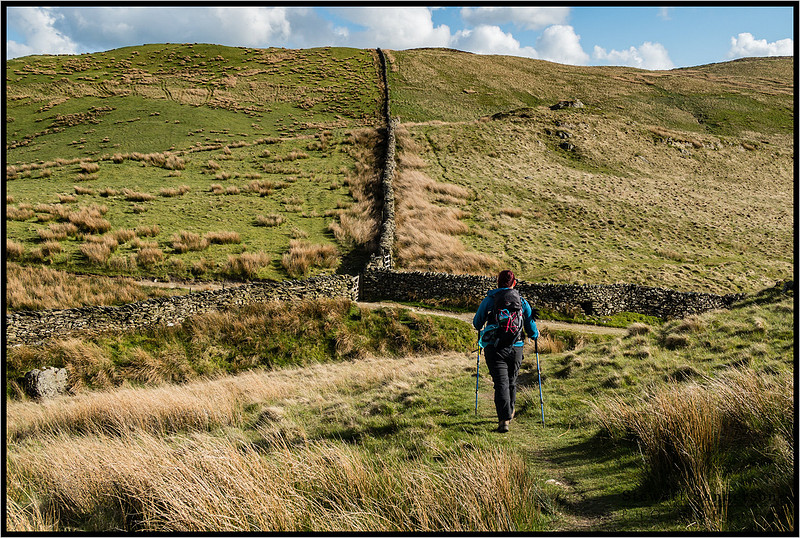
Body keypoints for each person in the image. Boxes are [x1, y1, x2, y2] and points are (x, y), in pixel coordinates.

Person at [473, 269, 539, 433]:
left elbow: (477, 323)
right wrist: (535, 335)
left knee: (500, 383)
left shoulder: (490, 300)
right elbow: (531, 326)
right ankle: (509, 411)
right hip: (516, 347)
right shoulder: (522, 302)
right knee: (511, 381)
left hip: (494, 348)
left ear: (497, 282)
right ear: (514, 283)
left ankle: (504, 420)